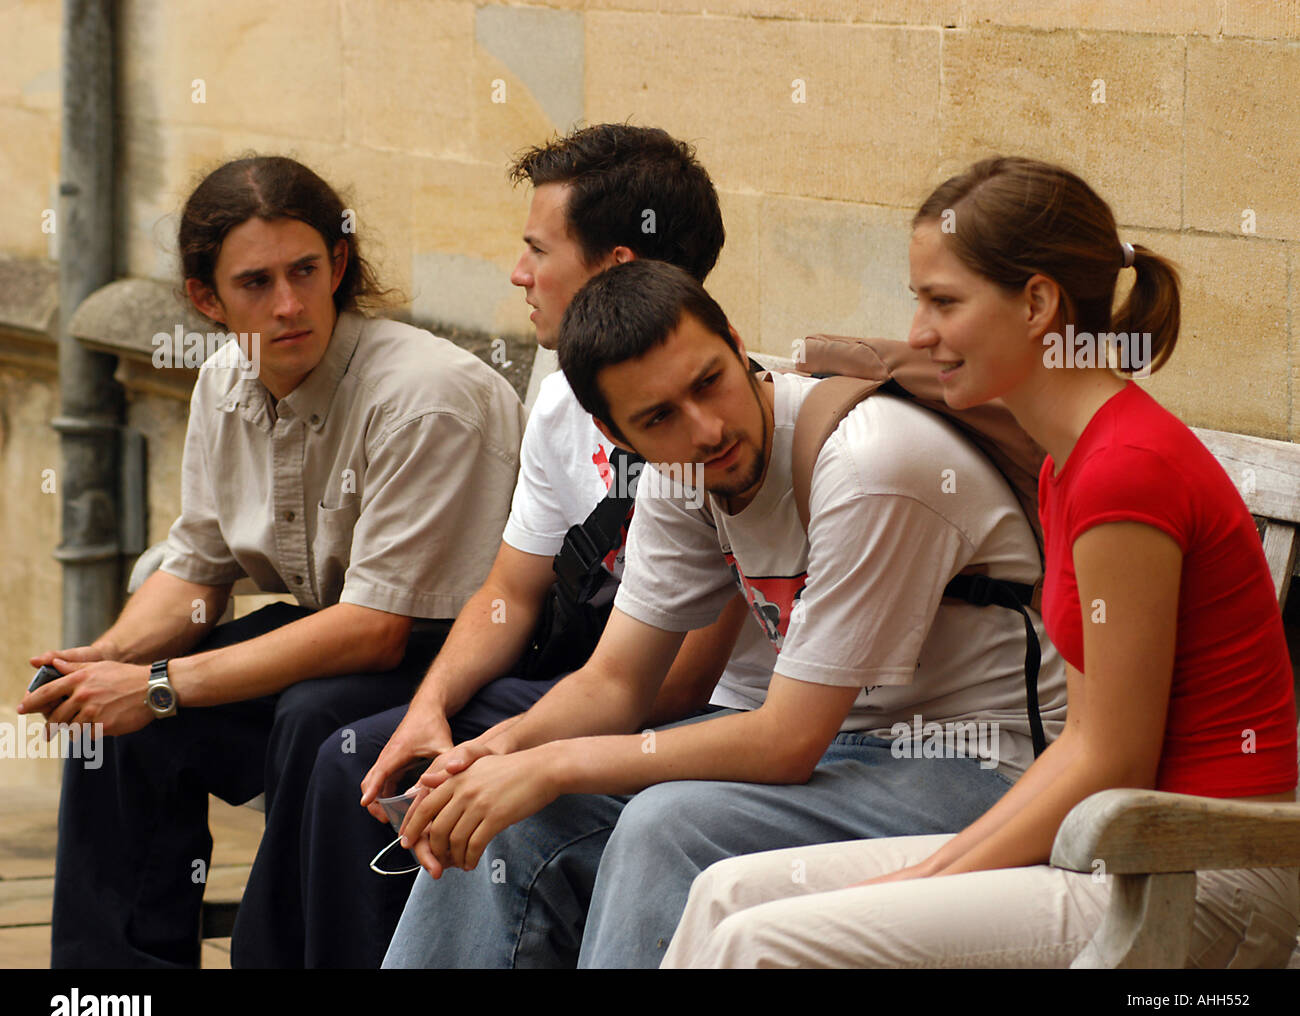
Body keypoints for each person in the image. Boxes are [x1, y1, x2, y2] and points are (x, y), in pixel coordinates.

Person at [663, 156, 1299, 969]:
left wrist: (924, 880)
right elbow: (1087, 747)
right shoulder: (1069, 463)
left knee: (762, 942)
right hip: (1123, 851)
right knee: (730, 895)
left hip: (1200, 876)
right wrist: (929, 877)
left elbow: (1111, 757)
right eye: (917, 300)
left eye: (944, 301)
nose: (919, 333)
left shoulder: (1123, 470)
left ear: (1037, 304)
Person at [382, 257, 1069, 970]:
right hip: (836, 759)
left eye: (709, 382)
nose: (706, 430)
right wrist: (497, 755)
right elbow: (616, 683)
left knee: (667, 826)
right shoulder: (682, 473)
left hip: (974, 766)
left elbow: (786, 742)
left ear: (739, 346)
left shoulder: (871, 466)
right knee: (499, 813)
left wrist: (554, 763)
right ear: (618, 436)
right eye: (660, 418)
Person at [21, 155, 527, 969]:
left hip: (465, 662)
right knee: (113, 730)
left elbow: (377, 632)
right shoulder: (222, 380)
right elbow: (195, 567)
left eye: (305, 270)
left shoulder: (425, 396)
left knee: (308, 714)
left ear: (339, 265)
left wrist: (156, 686)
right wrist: (109, 661)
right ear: (205, 299)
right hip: (339, 635)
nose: (289, 304)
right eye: (256, 283)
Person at [295, 124, 775, 968]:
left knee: (479, 807)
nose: (518, 273)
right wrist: (433, 708)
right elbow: (509, 592)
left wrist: (529, 758)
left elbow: (677, 683)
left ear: (618, 266)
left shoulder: (716, 431)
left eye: (535, 249)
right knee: (361, 761)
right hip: (598, 685)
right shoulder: (562, 398)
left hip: (701, 718)